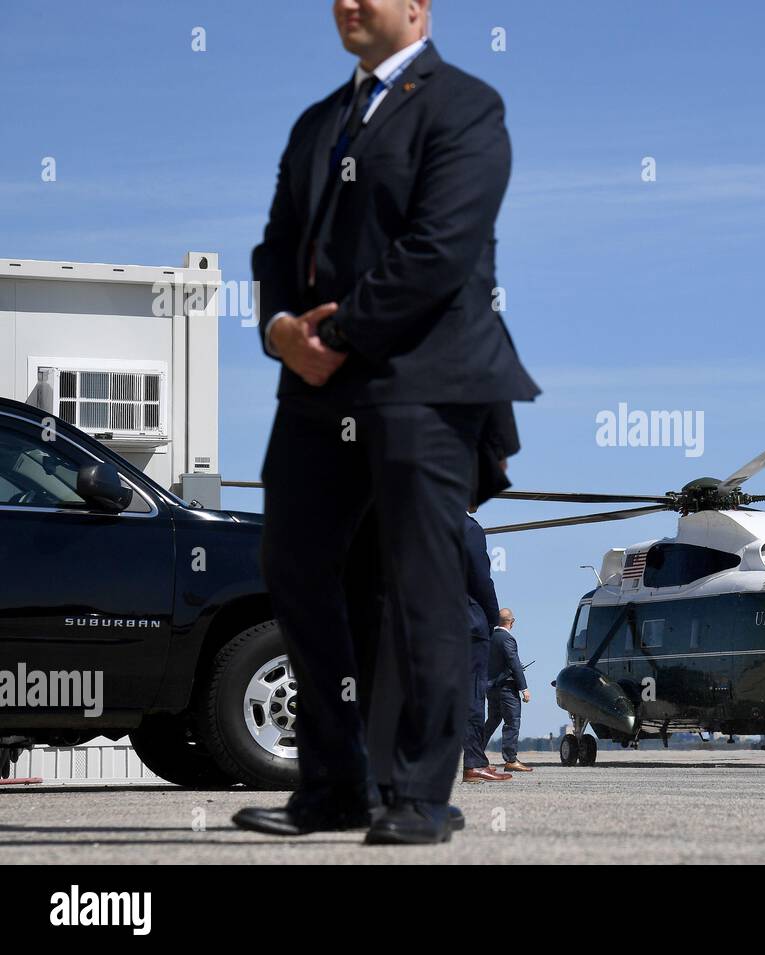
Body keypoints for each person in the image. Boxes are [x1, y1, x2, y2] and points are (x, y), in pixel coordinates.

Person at [233, 0, 538, 846]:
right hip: (313, 389)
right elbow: (274, 248)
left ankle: (418, 793)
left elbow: (441, 249)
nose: (347, 4)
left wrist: (333, 332)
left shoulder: (467, 105)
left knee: (421, 585)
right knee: (294, 565)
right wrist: (280, 331)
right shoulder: (315, 123)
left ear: (417, 10)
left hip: (424, 383)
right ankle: (334, 785)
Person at [461, 513, 513, 782]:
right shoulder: (469, 528)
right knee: (472, 694)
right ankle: (473, 764)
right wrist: (493, 618)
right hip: (467, 622)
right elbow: (482, 580)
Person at [484, 608, 532, 773]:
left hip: (491, 688)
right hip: (507, 689)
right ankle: (510, 760)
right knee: (512, 722)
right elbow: (514, 663)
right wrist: (524, 688)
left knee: (492, 721)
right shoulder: (507, 638)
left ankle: (476, 755)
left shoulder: (489, 637)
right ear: (512, 621)